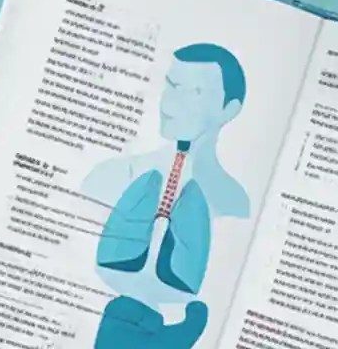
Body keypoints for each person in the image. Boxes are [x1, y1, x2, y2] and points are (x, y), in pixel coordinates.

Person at [80, 43, 248, 349]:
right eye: (172, 86)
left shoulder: (237, 205)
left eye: (195, 92)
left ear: (230, 110)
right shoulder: (105, 176)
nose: (173, 104)